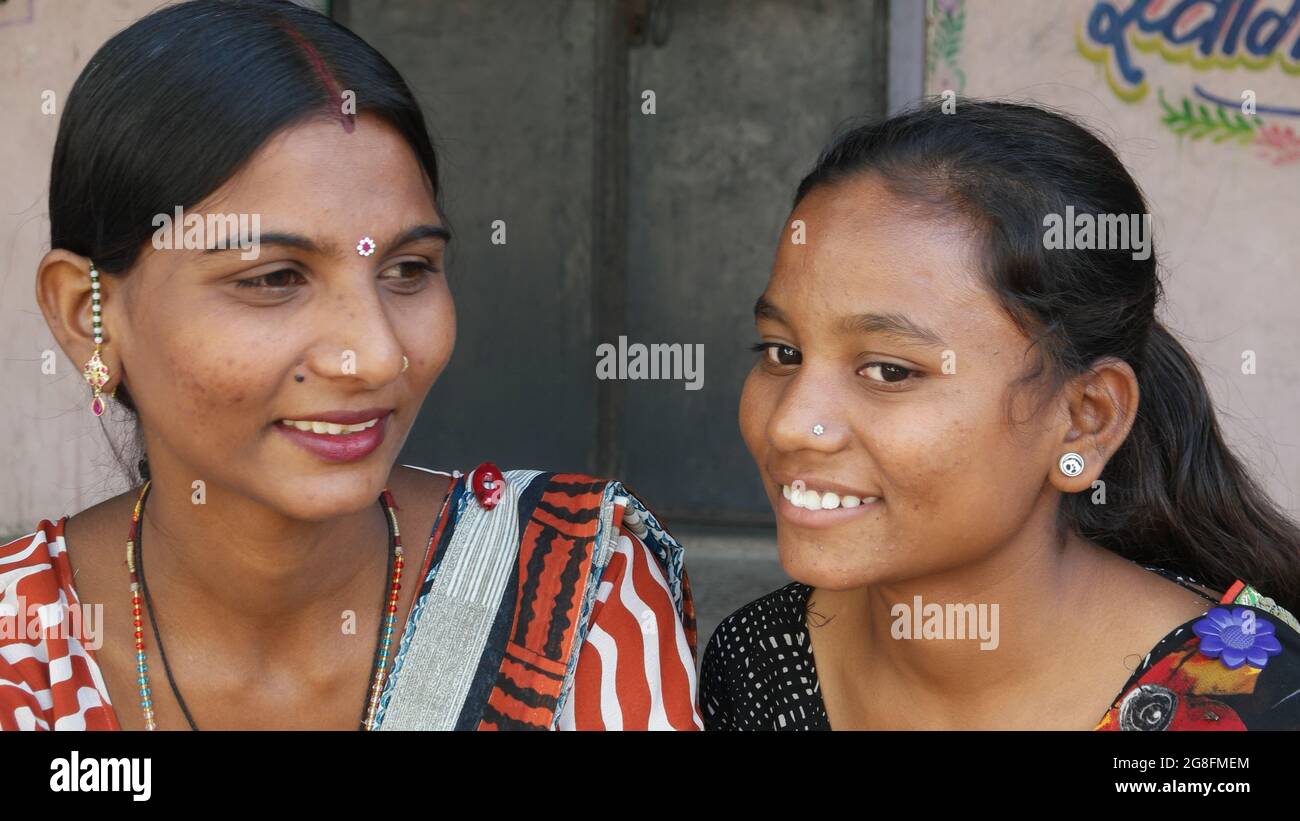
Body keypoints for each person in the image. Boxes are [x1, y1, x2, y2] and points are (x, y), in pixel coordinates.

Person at [0, 0, 700, 731]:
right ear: (90, 318)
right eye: (273, 278)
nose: (376, 354)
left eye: (408, 268)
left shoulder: (574, 592)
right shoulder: (23, 653)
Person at [700, 99, 1300, 731]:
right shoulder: (762, 665)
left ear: (1084, 420)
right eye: (782, 352)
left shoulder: (1246, 709)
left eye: (889, 370)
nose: (791, 424)